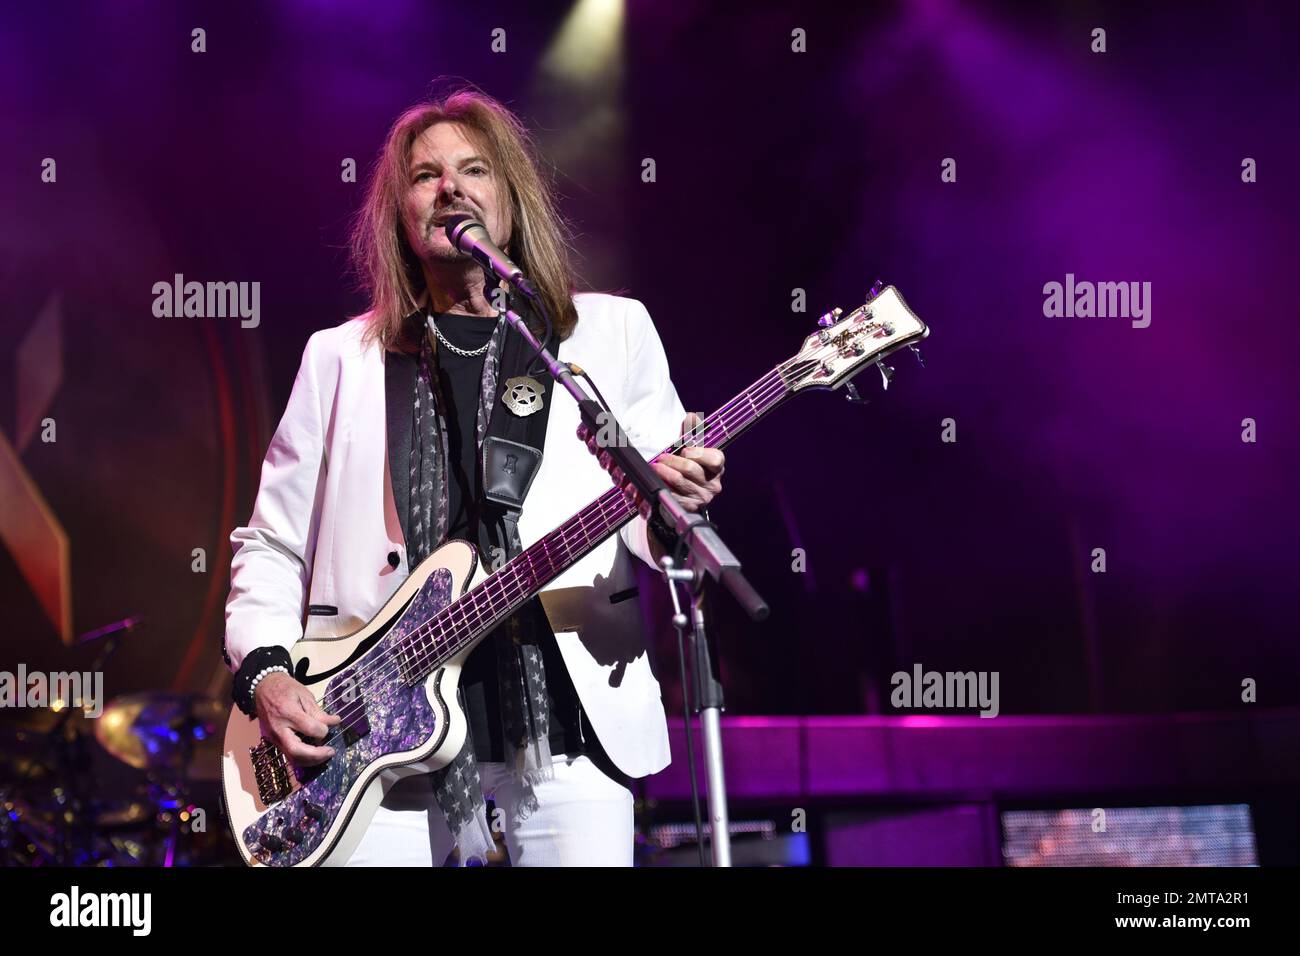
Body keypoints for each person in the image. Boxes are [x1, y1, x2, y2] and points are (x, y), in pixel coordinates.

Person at [221, 87, 724, 866]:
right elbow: (271, 544)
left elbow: (655, 531)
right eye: (425, 176)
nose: (450, 187)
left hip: (568, 728)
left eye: (474, 169)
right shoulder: (340, 358)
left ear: (511, 202)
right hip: (368, 740)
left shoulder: (610, 332)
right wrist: (266, 669)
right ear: (400, 215)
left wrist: (674, 505)